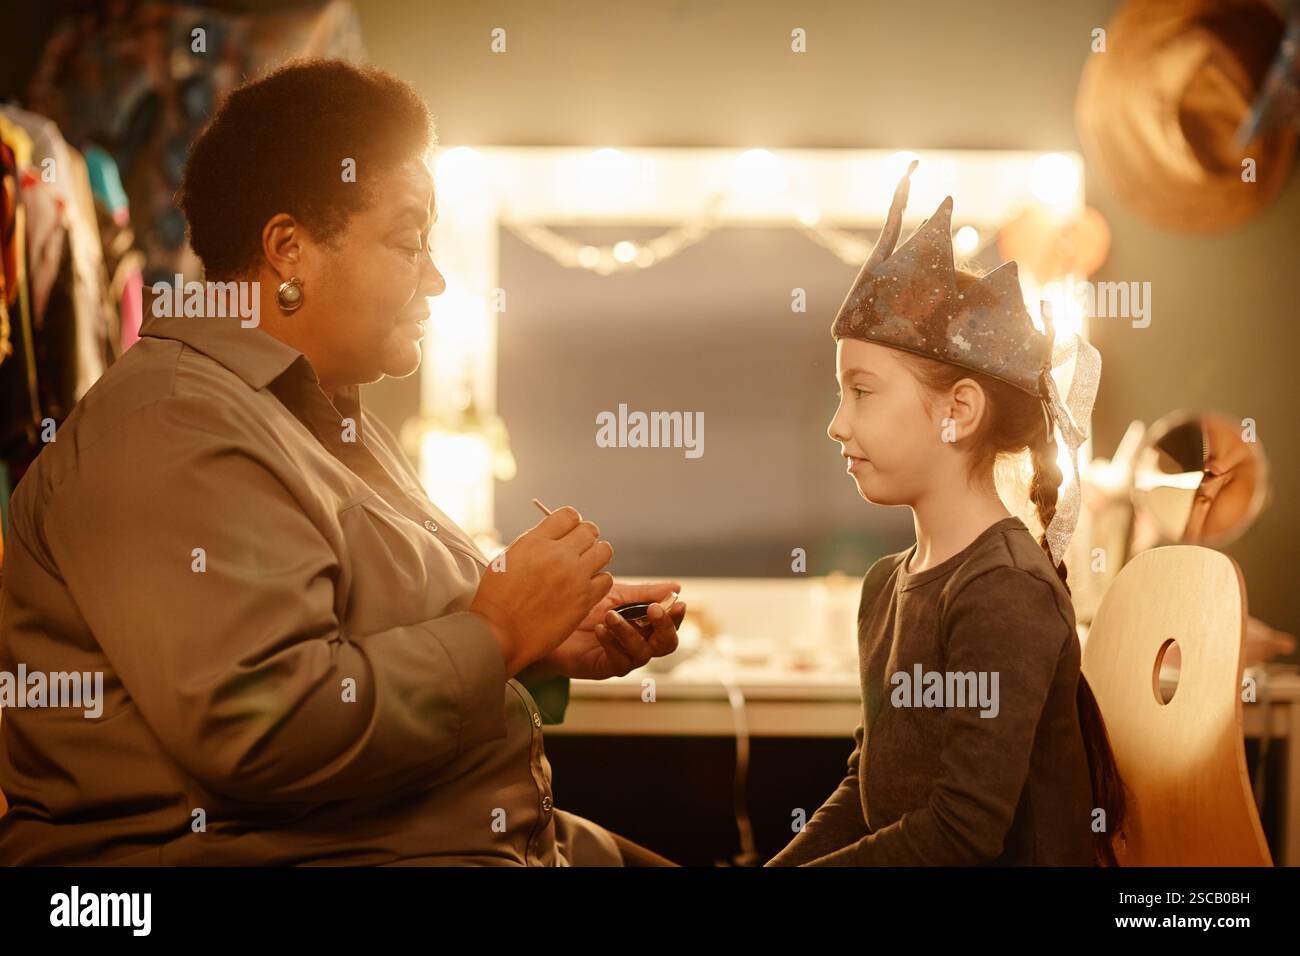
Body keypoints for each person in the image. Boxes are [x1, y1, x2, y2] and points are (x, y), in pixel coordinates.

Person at [0, 58, 681, 866]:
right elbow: (262, 730)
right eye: (407, 241)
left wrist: (540, 641)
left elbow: (367, 646)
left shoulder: (317, 418)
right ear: (288, 249)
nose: (434, 277)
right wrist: (496, 631)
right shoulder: (174, 425)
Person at [766, 161, 1127, 866]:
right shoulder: (885, 586)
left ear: (958, 412)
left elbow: (960, 837)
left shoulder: (1003, 592)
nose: (837, 425)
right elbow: (863, 791)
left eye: (862, 392)